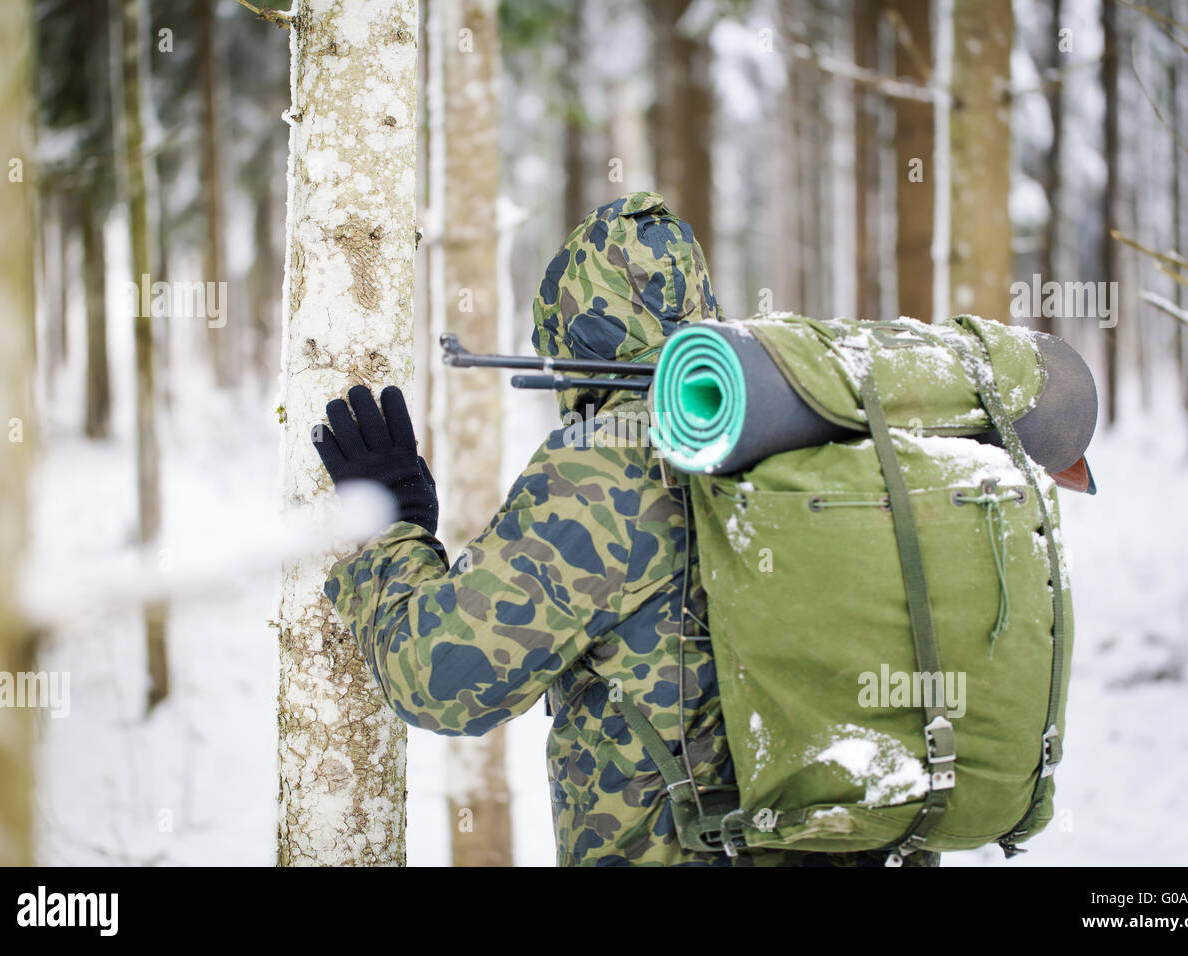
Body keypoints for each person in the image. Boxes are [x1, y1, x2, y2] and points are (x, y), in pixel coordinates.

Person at [314, 191, 939, 866]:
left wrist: (394, 526)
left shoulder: (610, 460)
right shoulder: (812, 428)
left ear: (570, 332)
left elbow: (441, 676)